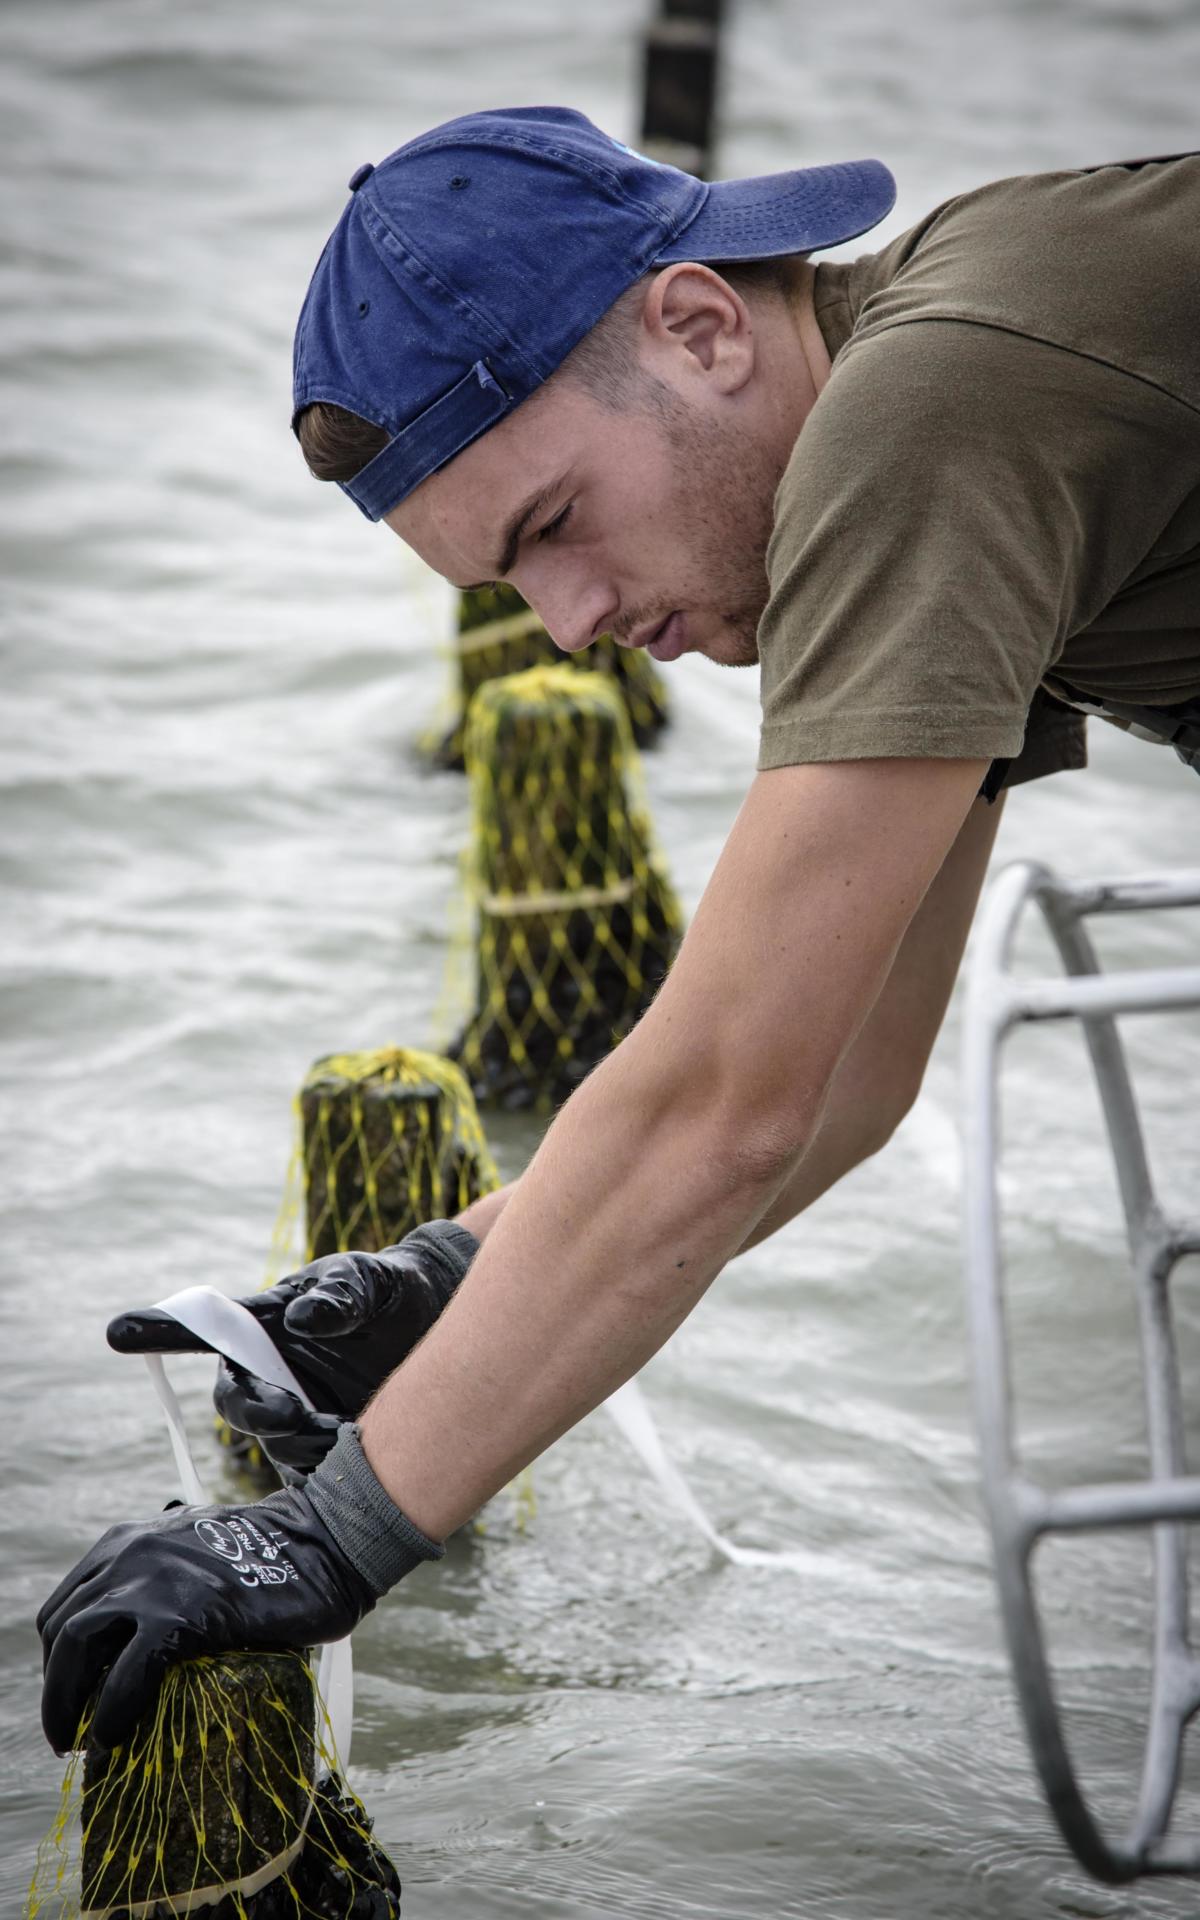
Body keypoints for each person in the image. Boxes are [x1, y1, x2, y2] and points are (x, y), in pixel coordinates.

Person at [39, 107, 1200, 1757]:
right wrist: (431, 1280)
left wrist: (322, 1538)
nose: (577, 627)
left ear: (702, 324)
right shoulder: (961, 371)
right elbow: (845, 1079)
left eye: (555, 525)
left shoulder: (932, 419)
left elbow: (720, 1111)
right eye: (510, 593)